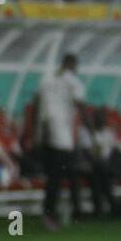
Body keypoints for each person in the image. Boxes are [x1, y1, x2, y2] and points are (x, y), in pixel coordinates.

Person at [36, 53, 87, 230]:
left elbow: (38, 106)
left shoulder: (48, 80)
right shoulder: (72, 81)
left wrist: (38, 135)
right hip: (62, 137)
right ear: (72, 65)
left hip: (49, 135)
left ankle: (59, 214)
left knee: (56, 178)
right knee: (64, 177)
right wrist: (92, 134)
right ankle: (64, 214)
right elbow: (80, 104)